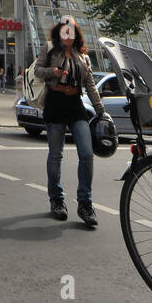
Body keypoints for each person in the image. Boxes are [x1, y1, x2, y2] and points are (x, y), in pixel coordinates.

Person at [33, 16, 105, 228]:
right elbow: (37, 70)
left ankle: (85, 203)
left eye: (71, 30)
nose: (68, 33)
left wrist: (101, 111)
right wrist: (52, 72)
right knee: (56, 155)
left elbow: (90, 84)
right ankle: (57, 199)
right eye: (65, 29)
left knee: (86, 153)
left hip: (75, 105)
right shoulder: (50, 49)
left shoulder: (83, 55)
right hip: (55, 103)